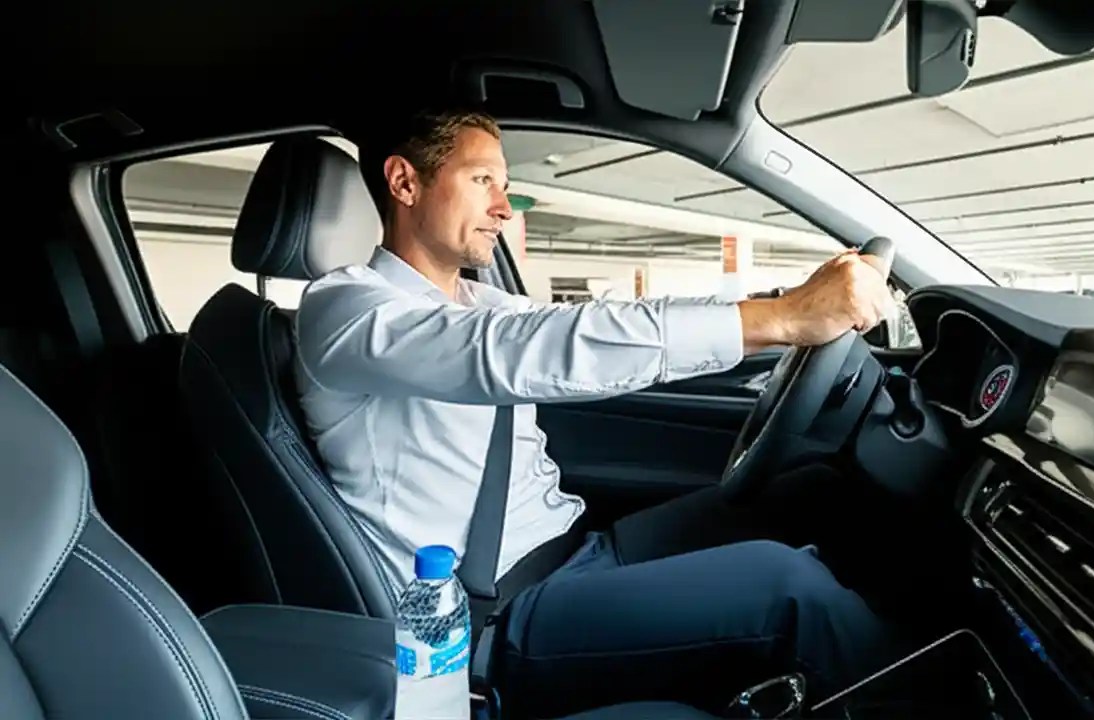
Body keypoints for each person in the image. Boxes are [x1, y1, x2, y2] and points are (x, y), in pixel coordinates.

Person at [293, 110, 902, 717]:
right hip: (496, 611)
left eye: (504, 187)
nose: (505, 208)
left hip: (577, 551)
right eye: (483, 181)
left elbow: (597, 321)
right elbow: (516, 349)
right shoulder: (345, 310)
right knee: (790, 590)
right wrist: (782, 319)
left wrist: (779, 299)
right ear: (404, 183)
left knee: (813, 495)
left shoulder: (479, 298)